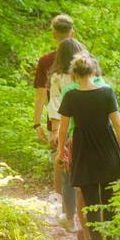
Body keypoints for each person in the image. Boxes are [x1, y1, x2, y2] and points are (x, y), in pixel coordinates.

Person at [56, 54, 120, 240]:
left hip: (84, 152)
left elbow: (63, 129)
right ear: (94, 71)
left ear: (73, 74)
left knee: (91, 203)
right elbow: (118, 125)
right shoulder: (106, 92)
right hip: (108, 150)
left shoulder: (70, 96)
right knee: (111, 201)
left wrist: (61, 153)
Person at [46, 37, 90, 230]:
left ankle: (71, 218)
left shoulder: (57, 77)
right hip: (89, 130)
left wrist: (55, 132)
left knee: (68, 174)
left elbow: (55, 106)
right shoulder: (92, 77)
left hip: (69, 131)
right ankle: (90, 220)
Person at [32, 14, 76, 148]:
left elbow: (41, 94)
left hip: (56, 120)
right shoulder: (84, 59)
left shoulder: (45, 61)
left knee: (58, 160)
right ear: (72, 33)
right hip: (82, 118)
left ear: (54, 35)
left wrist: (37, 124)